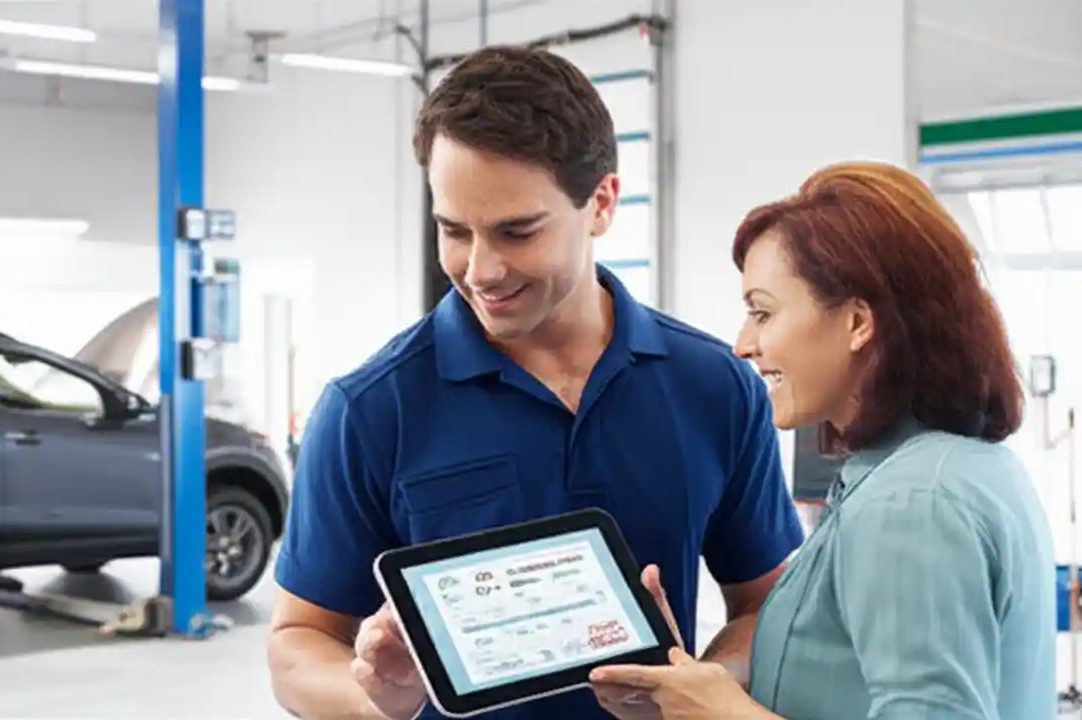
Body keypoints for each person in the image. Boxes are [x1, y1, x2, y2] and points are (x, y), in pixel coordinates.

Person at [265, 44, 807, 719]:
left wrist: (699, 685)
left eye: (517, 231)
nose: (481, 269)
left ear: (602, 202)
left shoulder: (717, 387)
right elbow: (297, 642)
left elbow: (767, 605)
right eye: (453, 230)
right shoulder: (371, 408)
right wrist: (378, 696)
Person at [589, 161, 1057, 719]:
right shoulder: (961, 468)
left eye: (762, 313)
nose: (744, 345)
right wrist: (696, 691)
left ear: (858, 323)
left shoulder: (911, 502)